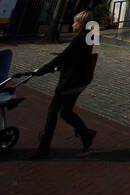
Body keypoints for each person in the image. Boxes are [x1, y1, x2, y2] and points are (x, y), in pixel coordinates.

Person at [28, 11, 98, 158]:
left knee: (52, 113)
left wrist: (42, 70)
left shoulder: (79, 39)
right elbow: (77, 58)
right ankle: (86, 134)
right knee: (66, 112)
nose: (73, 25)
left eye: (75, 22)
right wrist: (58, 67)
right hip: (81, 80)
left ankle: (43, 148)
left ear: (81, 24)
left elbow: (63, 56)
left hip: (70, 82)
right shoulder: (90, 37)